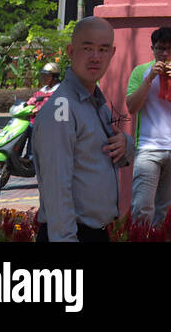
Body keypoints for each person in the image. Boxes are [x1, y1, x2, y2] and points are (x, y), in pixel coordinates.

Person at [32, 17, 134, 243]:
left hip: (95, 233)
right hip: (71, 234)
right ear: (71, 51)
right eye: (87, 48)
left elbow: (109, 156)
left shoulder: (96, 103)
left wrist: (126, 144)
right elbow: (57, 189)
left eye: (103, 49)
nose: (95, 57)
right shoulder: (63, 108)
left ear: (112, 53)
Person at [126, 25, 171, 227]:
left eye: (169, 49)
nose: (164, 54)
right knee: (142, 207)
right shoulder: (141, 72)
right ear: (153, 49)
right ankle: (139, 238)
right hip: (148, 149)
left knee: (165, 210)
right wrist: (149, 78)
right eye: (160, 49)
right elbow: (131, 107)